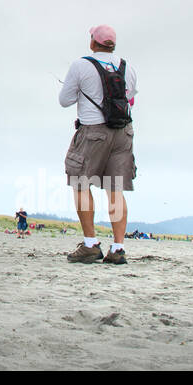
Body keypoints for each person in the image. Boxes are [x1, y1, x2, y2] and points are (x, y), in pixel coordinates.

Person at [58, 25, 137, 265]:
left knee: (82, 184)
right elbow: (131, 96)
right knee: (115, 190)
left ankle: (91, 244)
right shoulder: (127, 66)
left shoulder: (81, 65)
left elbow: (64, 100)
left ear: (93, 42)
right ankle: (118, 247)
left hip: (92, 131)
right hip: (123, 131)